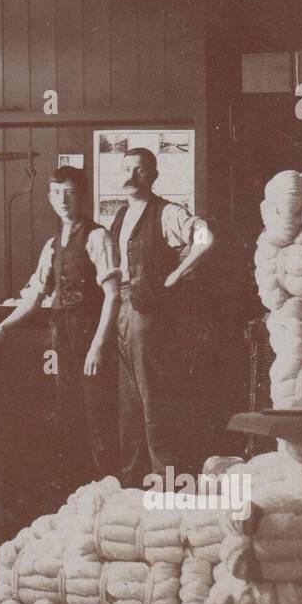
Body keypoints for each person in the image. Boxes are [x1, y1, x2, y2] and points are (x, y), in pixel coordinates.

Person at [0, 167, 122, 481]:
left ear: (82, 195)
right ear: (49, 197)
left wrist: (98, 347)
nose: (63, 200)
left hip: (92, 336)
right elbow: (35, 295)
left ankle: (109, 488)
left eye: (70, 192)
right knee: (68, 410)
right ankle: (76, 490)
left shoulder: (97, 236)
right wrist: (4, 327)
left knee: (98, 414)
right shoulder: (52, 245)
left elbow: (113, 296)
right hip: (62, 335)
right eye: (57, 193)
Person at [107, 147, 214, 480]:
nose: (132, 175)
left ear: (152, 176)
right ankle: (133, 482)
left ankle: (165, 479)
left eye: (140, 170)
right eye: (127, 168)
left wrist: (177, 273)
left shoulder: (167, 212)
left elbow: (205, 238)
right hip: (120, 309)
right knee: (128, 402)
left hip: (148, 313)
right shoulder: (121, 215)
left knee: (154, 399)